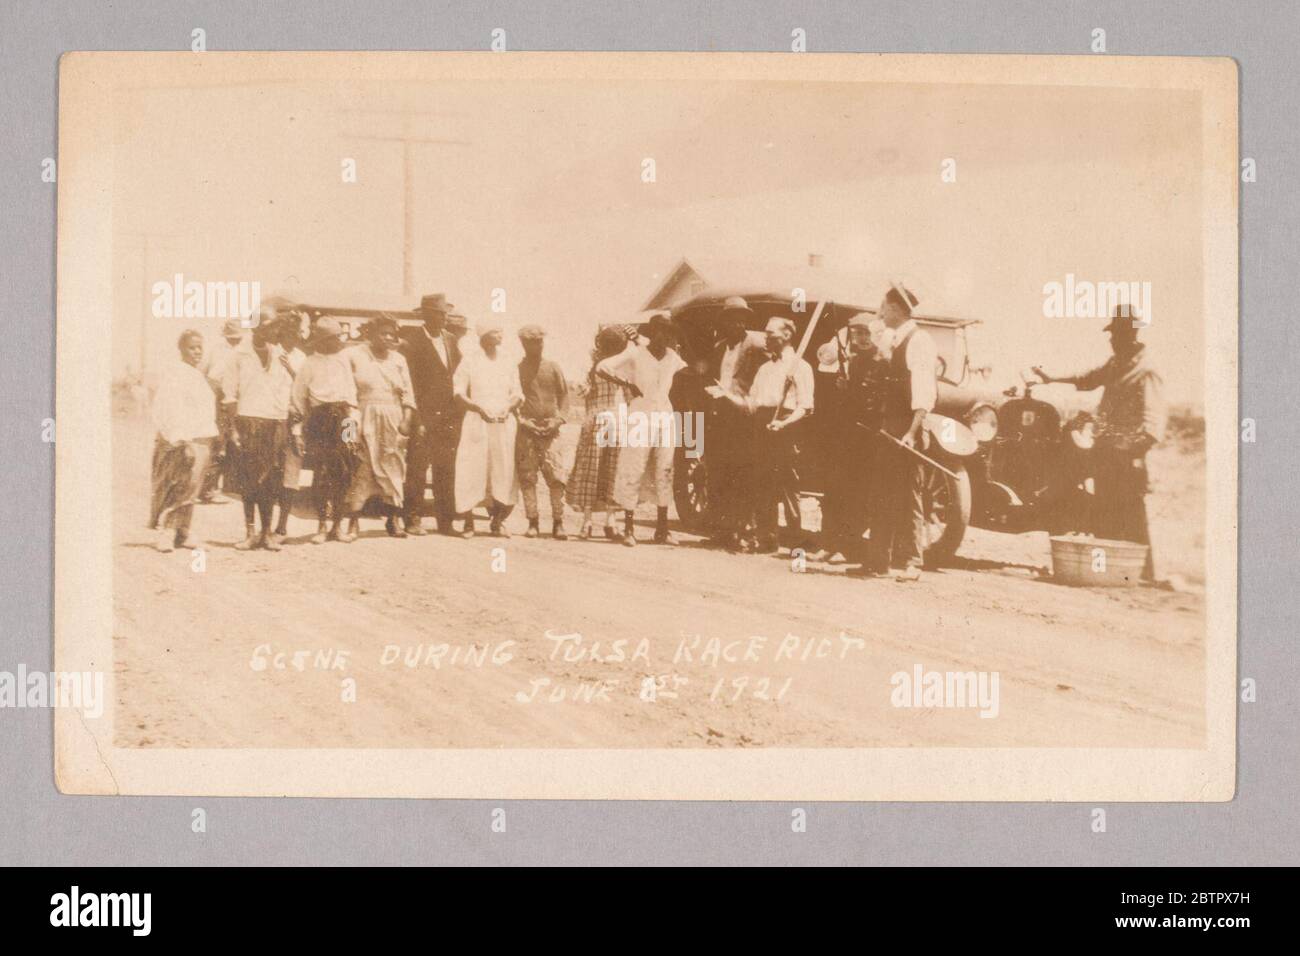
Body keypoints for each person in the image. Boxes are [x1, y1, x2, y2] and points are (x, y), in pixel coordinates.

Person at [1033, 302, 1166, 582]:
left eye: (1117, 334)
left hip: (1127, 458)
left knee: (1131, 516)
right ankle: (1107, 576)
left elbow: (1153, 426)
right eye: (1112, 334)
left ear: (1131, 335)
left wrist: (1130, 452)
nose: (1112, 339)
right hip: (1107, 454)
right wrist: (1051, 378)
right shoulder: (1117, 364)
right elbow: (1088, 379)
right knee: (1105, 513)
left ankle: (1144, 577)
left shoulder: (1146, 370)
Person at [713, 316, 814, 554]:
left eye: (771, 334)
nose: (766, 338)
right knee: (762, 482)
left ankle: (796, 540)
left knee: (789, 484)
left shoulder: (800, 366)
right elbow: (752, 405)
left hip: (787, 426)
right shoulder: (764, 368)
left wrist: (784, 423)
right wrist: (726, 395)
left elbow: (806, 407)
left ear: (787, 335)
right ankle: (767, 539)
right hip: (762, 426)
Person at [864, 283, 937, 582]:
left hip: (908, 426)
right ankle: (878, 562)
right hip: (889, 425)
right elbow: (875, 338)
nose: (880, 313)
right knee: (882, 491)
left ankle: (912, 563)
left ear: (895, 310)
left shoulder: (919, 341)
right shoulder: (894, 338)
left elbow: (923, 390)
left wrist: (912, 431)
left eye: (884, 307)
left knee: (909, 494)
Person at [596, 313, 686, 547]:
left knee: (665, 469)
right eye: (662, 331)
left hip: (664, 415)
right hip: (640, 415)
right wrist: (627, 384)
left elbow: (691, 369)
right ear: (653, 332)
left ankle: (662, 529)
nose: (666, 336)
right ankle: (628, 528)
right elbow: (602, 367)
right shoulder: (635, 353)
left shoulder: (673, 356)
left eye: (669, 332)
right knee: (634, 467)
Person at [222, 319, 294, 551]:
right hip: (248, 422)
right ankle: (250, 533)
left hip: (275, 423)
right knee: (249, 481)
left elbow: (288, 388)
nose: (276, 331)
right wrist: (233, 428)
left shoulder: (280, 353)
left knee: (272, 481)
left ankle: (267, 533)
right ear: (256, 328)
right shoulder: (238, 354)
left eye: (277, 327)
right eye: (272, 327)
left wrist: (283, 423)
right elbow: (230, 394)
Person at [702, 298, 766, 550]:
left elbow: (764, 377)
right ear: (724, 322)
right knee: (718, 471)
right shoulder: (719, 348)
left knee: (742, 472)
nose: (737, 323)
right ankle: (722, 529)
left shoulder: (755, 345)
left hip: (742, 415)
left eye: (741, 318)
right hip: (720, 416)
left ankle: (744, 529)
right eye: (732, 319)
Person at [344, 317, 416, 539]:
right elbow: (346, 394)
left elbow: (408, 394)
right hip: (361, 415)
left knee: (394, 465)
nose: (387, 338)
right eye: (382, 333)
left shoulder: (399, 359)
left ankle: (393, 520)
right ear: (371, 334)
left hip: (392, 417)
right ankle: (353, 522)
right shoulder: (353, 355)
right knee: (360, 467)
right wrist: (348, 431)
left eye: (391, 334)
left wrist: (406, 421)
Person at [291, 317, 361, 544]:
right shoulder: (309, 363)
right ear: (322, 340)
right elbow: (299, 398)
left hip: (342, 419)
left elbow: (351, 397)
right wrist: (300, 429)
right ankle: (322, 525)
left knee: (343, 473)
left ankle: (337, 526)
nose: (337, 343)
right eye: (333, 339)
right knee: (321, 475)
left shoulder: (342, 361)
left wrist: (351, 432)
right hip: (319, 421)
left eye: (338, 338)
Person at [149, 330, 218, 552]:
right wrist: (182, 440)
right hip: (184, 439)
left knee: (192, 488)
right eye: (192, 347)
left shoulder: (196, 375)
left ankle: (183, 530)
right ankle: (167, 532)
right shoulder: (176, 374)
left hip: (202, 438)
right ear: (181, 349)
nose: (197, 352)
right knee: (178, 485)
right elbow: (171, 408)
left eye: (200, 347)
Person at [452, 323, 523, 537]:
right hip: (477, 420)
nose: (500, 334)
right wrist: (478, 408)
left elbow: (517, 393)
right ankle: (468, 522)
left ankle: (498, 520)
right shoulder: (470, 359)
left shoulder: (509, 360)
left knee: (503, 469)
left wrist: (508, 408)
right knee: (472, 468)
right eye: (494, 331)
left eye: (501, 330)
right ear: (482, 336)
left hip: (503, 421)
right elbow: (458, 392)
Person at [400, 293, 462, 535]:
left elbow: (457, 376)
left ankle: (445, 522)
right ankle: (412, 519)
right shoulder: (411, 342)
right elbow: (409, 383)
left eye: (445, 313)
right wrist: (417, 417)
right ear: (425, 314)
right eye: (439, 313)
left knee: (446, 469)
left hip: (448, 417)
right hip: (423, 416)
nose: (444, 317)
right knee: (417, 468)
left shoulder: (451, 340)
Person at [566, 326, 629, 540]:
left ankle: (593, 522)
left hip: (603, 418)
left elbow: (582, 388)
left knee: (597, 471)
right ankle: (601, 522)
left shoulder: (601, 366)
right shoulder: (605, 366)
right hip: (612, 419)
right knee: (608, 471)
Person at [515, 324, 570, 539]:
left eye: (540, 341)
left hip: (551, 430)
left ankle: (558, 522)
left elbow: (564, 397)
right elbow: (513, 399)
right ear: (524, 344)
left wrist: (558, 420)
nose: (538, 345)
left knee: (556, 477)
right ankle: (533, 522)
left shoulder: (553, 367)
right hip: (527, 430)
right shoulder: (517, 370)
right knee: (528, 478)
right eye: (533, 342)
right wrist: (523, 421)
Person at [197, 317, 248, 504]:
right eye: (232, 337)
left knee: (233, 442)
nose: (235, 340)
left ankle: (228, 486)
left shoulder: (244, 352)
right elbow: (202, 374)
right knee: (217, 442)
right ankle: (207, 489)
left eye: (238, 338)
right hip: (216, 394)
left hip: (234, 396)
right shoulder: (216, 349)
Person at [273, 313, 308, 540]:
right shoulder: (271, 352)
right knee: (270, 473)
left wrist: (291, 371)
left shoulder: (302, 357)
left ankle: (282, 527)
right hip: (272, 417)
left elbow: (306, 388)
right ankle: (264, 526)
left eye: (296, 332)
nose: (292, 336)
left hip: (294, 420)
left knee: (291, 473)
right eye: (288, 331)